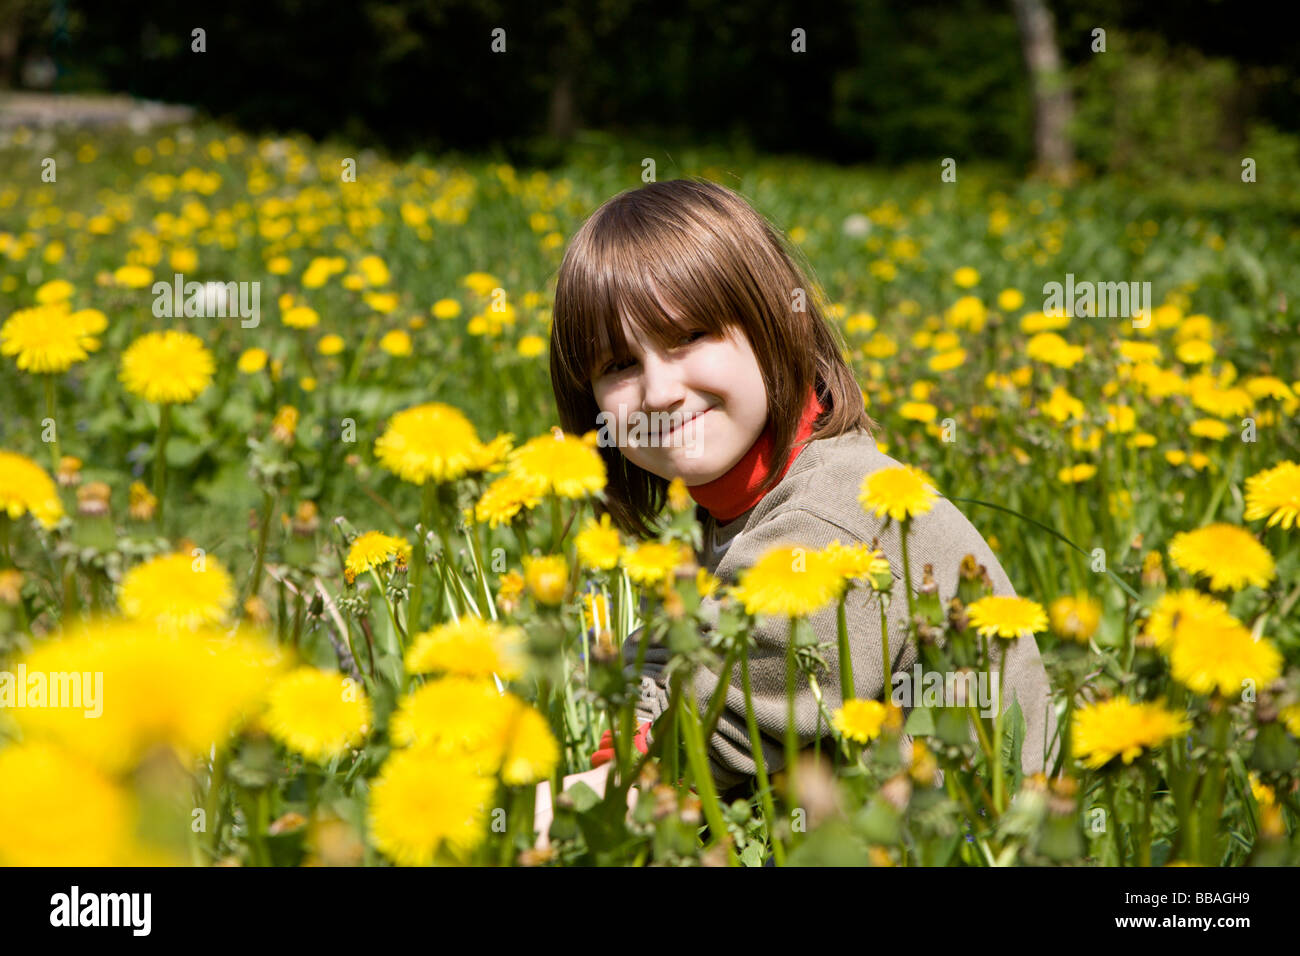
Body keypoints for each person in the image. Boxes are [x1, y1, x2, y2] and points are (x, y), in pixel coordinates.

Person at [534, 178, 1059, 850]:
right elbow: (666, 657)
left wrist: (563, 804)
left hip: (970, 843)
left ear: (775, 324)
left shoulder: (829, 520)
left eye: (689, 336)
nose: (660, 391)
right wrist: (618, 728)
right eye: (618, 364)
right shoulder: (715, 506)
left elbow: (713, 743)